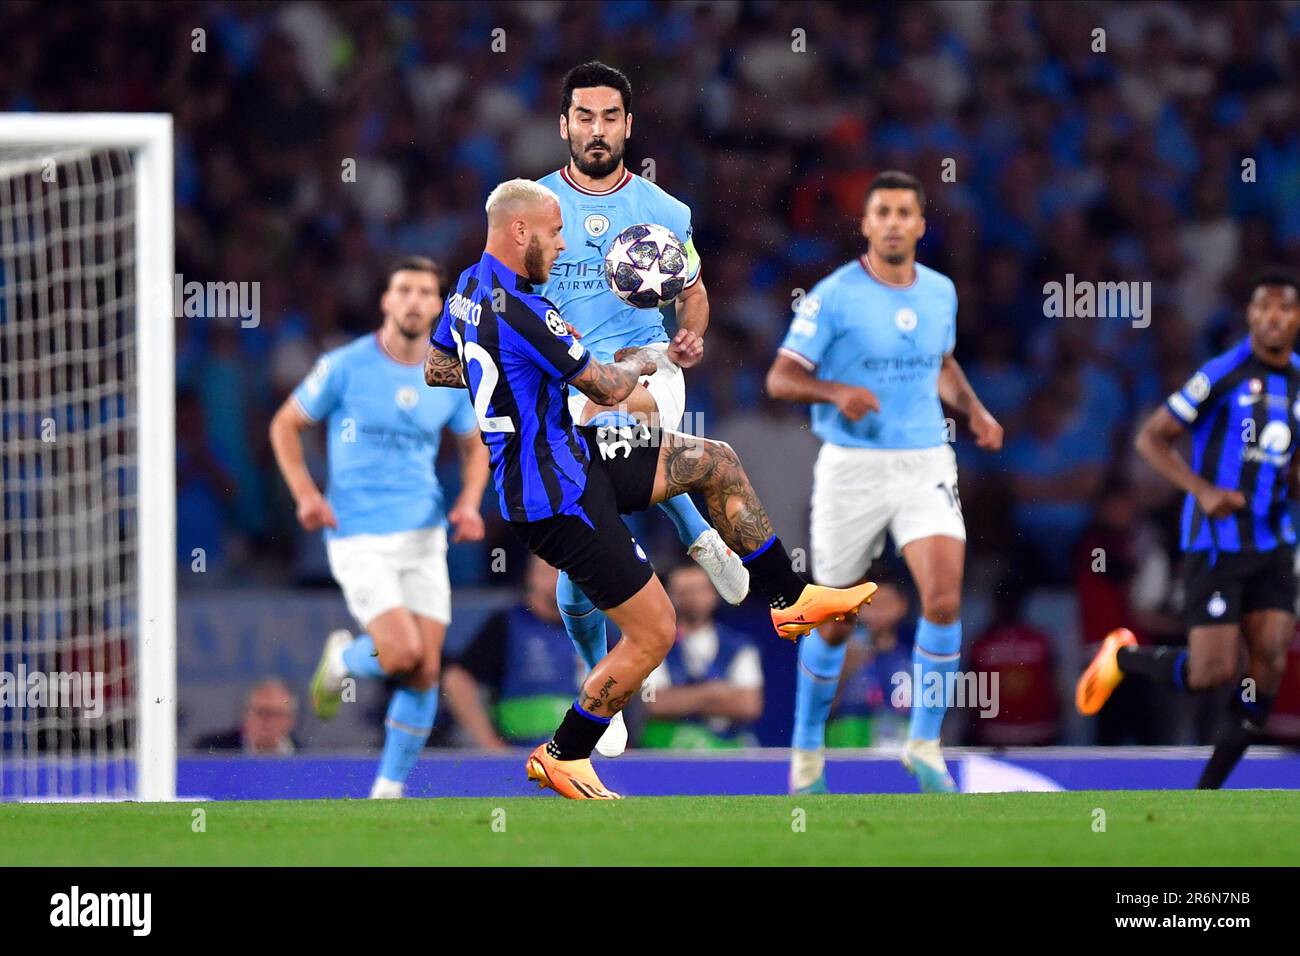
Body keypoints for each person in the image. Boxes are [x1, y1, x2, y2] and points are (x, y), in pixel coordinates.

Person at [423, 178, 877, 799]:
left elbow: (437, 365)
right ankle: (564, 753)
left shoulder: (471, 291)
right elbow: (609, 390)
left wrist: (512, 375)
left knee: (713, 461)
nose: (561, 246)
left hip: (573, 459)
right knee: (656, 633)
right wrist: (642, 360)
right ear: (519, 231)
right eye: (554, 232)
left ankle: (789, 598)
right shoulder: (527, 311)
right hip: (557, 497)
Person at [534, 61, 749, 759]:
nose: (597, 131)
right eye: (584, 117)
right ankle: (605, 686)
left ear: (628, 125)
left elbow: (693, 290)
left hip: (644, 363)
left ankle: (699, 538)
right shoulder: (528, 207)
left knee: (625, 421)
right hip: (561, 380)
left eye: (610, 118)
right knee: (578, 580)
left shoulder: (663, 209)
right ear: (564, 123)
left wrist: (693, 328)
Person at [766, 170, 1003, 793]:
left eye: (905, 212)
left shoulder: (941, 293)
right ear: (866, 225)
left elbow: (942, 363)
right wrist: (834, 389)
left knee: (945, 597)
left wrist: (973, 410)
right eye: (883, 213)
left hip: (926, 458)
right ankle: (807, 750)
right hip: (852, 467)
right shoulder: (834, 295)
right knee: (836, 620)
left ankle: (923, 744)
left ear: (921, 225)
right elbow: (781, 379)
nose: (895, 222)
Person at [269, 256, 490, 798]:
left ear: (439, 306)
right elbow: (286, 423)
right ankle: (344, 657)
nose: (415, 300)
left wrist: (468, 502)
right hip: (359, 534)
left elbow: (474, 443)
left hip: (424, 535)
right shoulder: (345, 365)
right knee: (399, 655)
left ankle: (387, 791)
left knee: (425, 672)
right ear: (387, 301)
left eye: (425, 292)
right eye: (404, 290)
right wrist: (305, 494)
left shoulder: (448, 374)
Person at [1078, 272, 1300, 788]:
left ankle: (1207, 792)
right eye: (1264, 308)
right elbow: (1151, 439)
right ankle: (1124, 657)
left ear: (1296, 319)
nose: (1274, 318)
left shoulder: (1298, 381)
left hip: (1274, 537)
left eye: (1285, 309)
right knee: (1212, 674)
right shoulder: (1221, 373)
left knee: (1269, 659)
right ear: (1249, 316)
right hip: (1216, 540)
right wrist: (1202, 491)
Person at [442, 557, 583, 749]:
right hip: (521, 760)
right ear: (530, 577)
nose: (558, 581)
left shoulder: (595, 630)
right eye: (548, 573)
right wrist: (491, 747)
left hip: (585, 760)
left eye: (566, 574)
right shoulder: (507, 624)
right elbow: (456, 680)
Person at [640, 564, 764, 749]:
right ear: (668, 596)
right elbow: (652, 703)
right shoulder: (652, 646)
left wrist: (680, 700)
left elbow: (749, 705)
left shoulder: (740, 646)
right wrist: (713, 692)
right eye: (683, 591)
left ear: (713, 594)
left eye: (699, 590)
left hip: (728, 744)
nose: (691, 598)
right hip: (669, 747)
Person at [194, 679, 299, 755]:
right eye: (260, 712)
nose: (268, 720)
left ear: (290, 720)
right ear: (245, 715)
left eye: (275, 714)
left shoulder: (305, 755)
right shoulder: (213, 750)